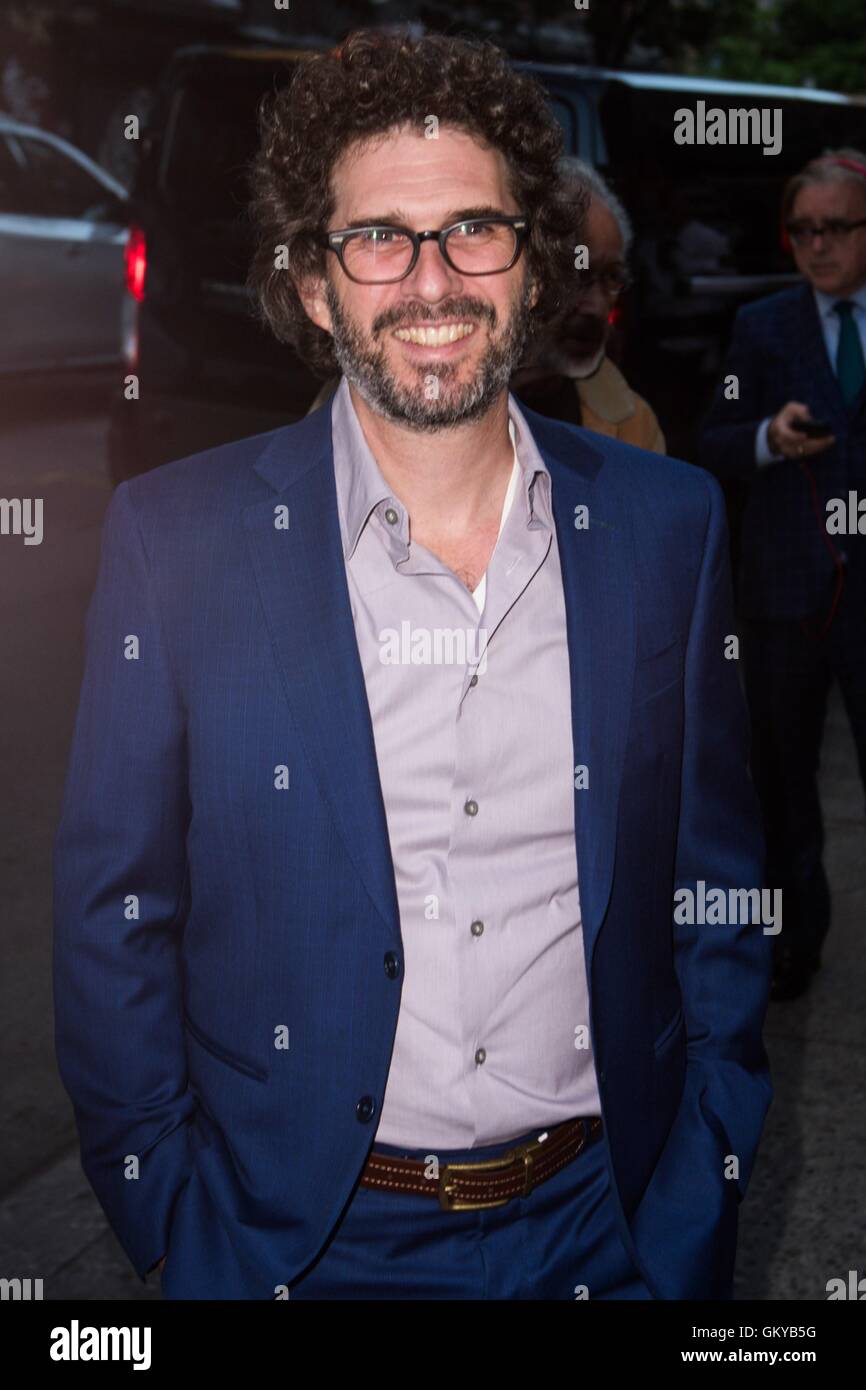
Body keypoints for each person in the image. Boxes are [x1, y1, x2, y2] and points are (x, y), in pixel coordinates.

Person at [54, 29, 771, 1301]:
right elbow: (117, 914)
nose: (430, 281)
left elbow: (711, 877)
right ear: (317, 284)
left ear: (533, 266)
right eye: (377, 237)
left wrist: (705, 1154)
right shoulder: (180, 541)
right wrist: (166, 1217)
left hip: (609, 1227)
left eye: (472, 232)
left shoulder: (669, 526)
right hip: (299, 1243)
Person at [700, 148, 866, 1001]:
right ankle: (795, 943)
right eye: (803, 230)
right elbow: (714, 438)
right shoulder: (764, 328)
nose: (818, 246)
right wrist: (767, 435)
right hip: (787, 597)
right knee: (783, 783)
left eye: (836, 228)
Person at [510, 158, 666, 451]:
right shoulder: (446, 404)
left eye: (612, 277)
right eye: (576, 275)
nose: (595, 307)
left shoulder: (633, 424)